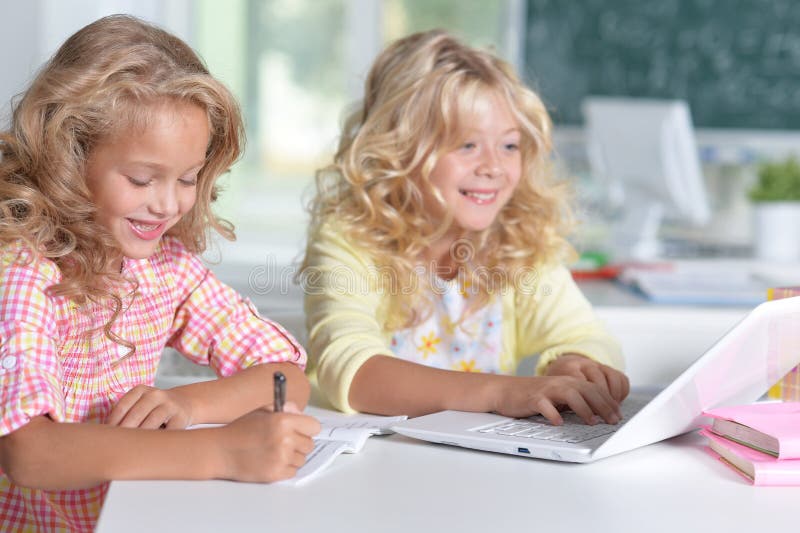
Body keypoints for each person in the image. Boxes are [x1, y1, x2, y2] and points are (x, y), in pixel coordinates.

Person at [0, 15, 319, 531]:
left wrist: (185, 404)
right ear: (69, 155)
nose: (168, 205)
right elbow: (29, 452)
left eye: (188, 179)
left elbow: (287, 377)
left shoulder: (166, 269)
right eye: (142, 179)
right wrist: (220, 452)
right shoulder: (22, 271)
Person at [300, 30, 630, 424]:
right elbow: (350, 369)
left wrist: (578, 364)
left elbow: (586, 334)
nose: (493, 166)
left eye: (509, 146)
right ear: (400, 150)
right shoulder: (349, 236)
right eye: (467, 145)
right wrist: (502, 392)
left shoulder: (518, 238)